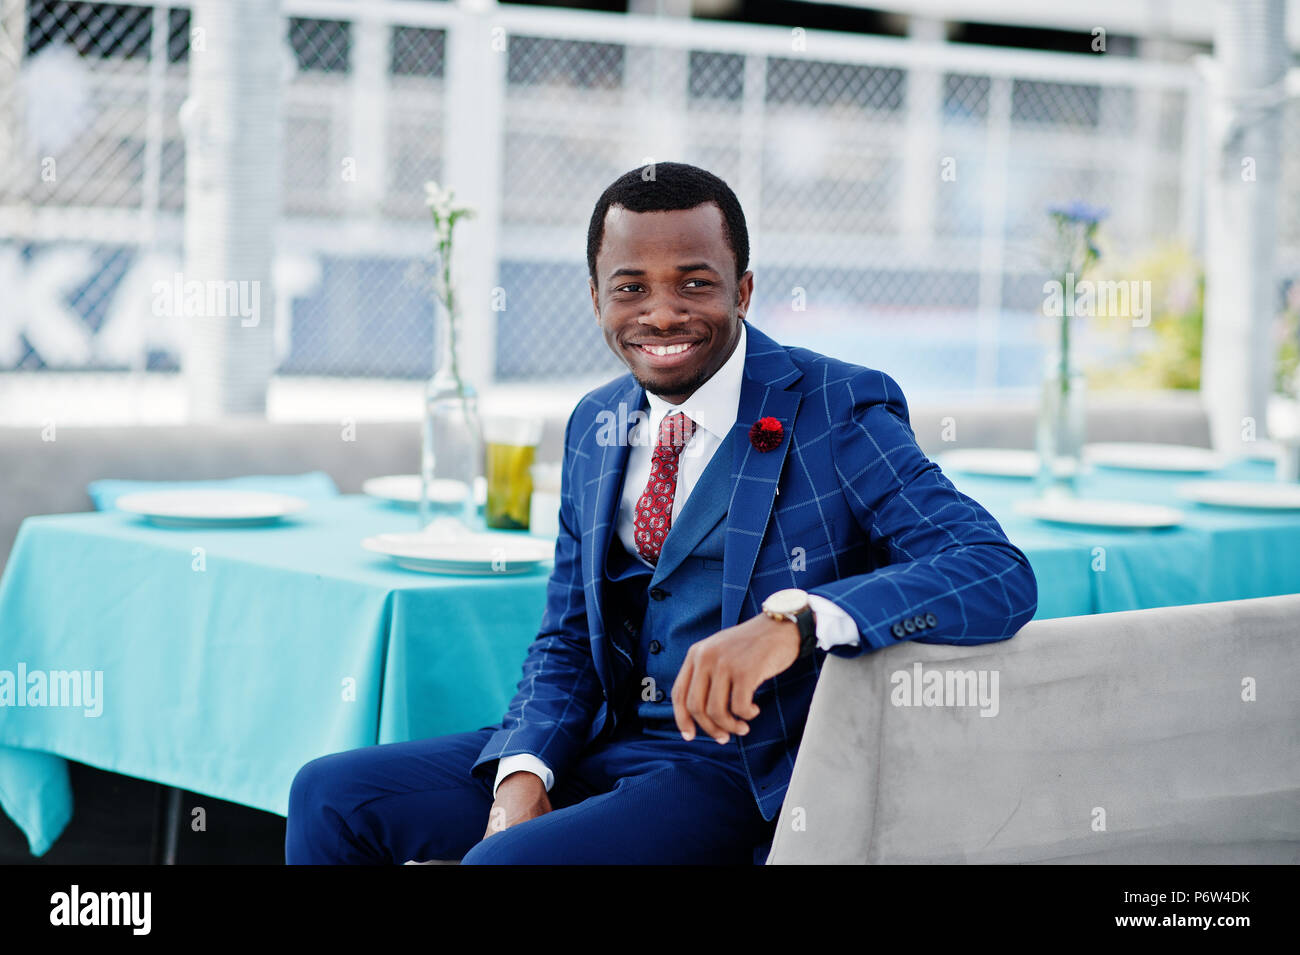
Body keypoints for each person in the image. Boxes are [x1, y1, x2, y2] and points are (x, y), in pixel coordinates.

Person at [286, 162, 1038, 865]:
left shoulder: (835, 409)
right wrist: (525, 767)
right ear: (595, 298)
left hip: (742, 769)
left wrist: (794, 622)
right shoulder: (595, 422)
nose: (662, 313)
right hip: (604, 742)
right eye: (631, 288)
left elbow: (992, 570)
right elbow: (568, 638)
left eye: (694, 283)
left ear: (742, 291)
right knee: (329, 795)